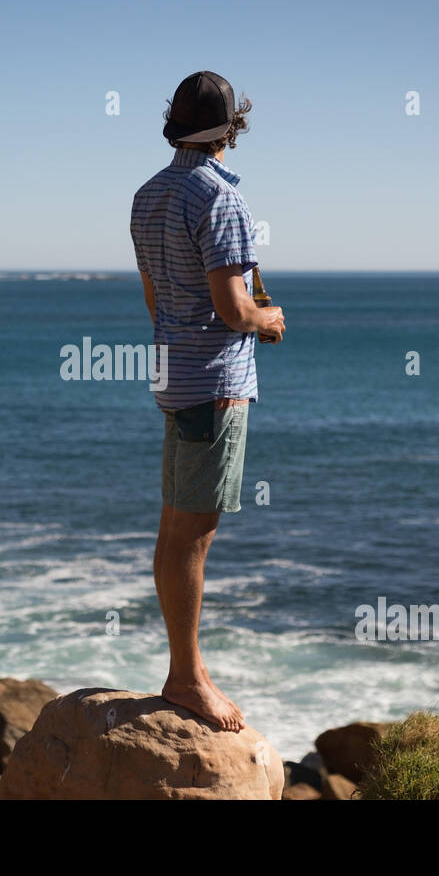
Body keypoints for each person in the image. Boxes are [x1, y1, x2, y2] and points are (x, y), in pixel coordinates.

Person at [130, 71, 286, 732]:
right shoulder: (221, 200)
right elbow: (232, 307)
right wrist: (267, 320)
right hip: (216, 383)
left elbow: (156, 299)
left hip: (174, 376)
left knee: (177, 527)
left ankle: (184, 669)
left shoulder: (148, 195)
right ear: (231, 129)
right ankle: (186, 678)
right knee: (195, 533)